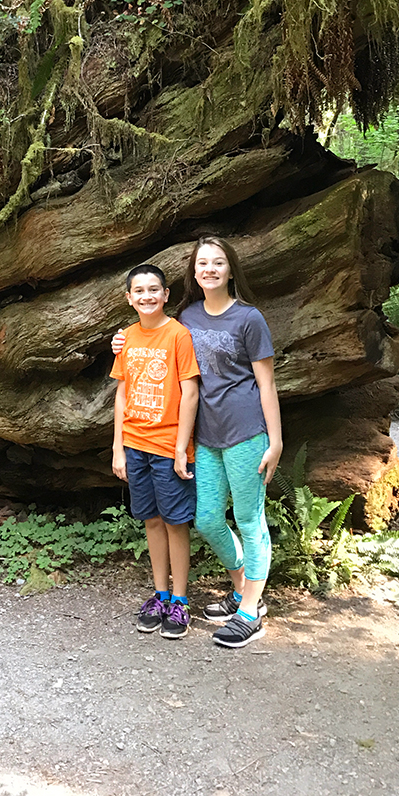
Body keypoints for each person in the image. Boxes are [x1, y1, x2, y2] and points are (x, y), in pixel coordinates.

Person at [112, 236, 282, 649]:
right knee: (206, 519)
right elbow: (152, 335)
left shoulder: (249, 319)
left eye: (218, 262)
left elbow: (267, 383)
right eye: (202, 263)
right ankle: (245, 589)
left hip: (245, 433)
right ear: (193, 271)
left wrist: (274, 441)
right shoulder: (187, 316)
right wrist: (119, 340)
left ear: (230, 269)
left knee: (249, 520)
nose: (209, 269)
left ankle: (250, 611)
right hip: (204, 437)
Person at [111, 263, 200, 639]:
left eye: (154, 290)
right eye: (139, 291)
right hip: (135, 444)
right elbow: (122, 394)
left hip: (168, 446)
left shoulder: (178, 335)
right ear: (129, 298)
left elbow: (191, 392)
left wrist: (181, 449)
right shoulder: (127, 337)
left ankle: (179, 601)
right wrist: (118, 448)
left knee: (176, 522)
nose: (146, 296)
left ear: (166, 295)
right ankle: (160, 594)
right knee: (150, 520)